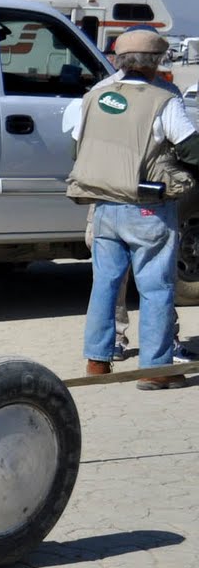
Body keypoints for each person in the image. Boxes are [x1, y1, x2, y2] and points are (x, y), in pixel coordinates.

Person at [66, 29, 199, 389]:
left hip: (105, 205)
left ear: (119, 60)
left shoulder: (94, 96)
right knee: (155, 287)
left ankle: (97, 359)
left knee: (105, 284)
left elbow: (77, 148)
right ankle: (155, 370)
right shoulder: (162, 99)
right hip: (147, 208)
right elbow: (190, 149)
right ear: (156, 61)